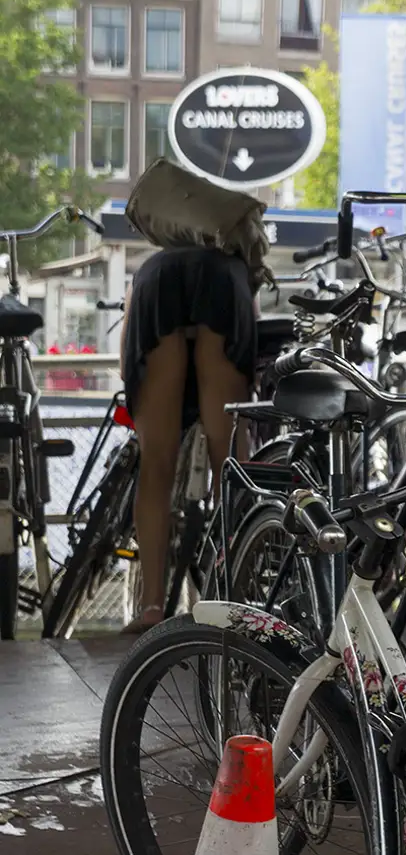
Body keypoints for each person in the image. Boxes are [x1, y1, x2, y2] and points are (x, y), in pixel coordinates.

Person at [118, 159, 271, 634]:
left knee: (156, 462)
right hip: (223, 296)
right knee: (231, 461)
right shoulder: (236, 267)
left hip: (155, 293)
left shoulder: (158, 261)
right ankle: (233, 596)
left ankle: (150, 607)